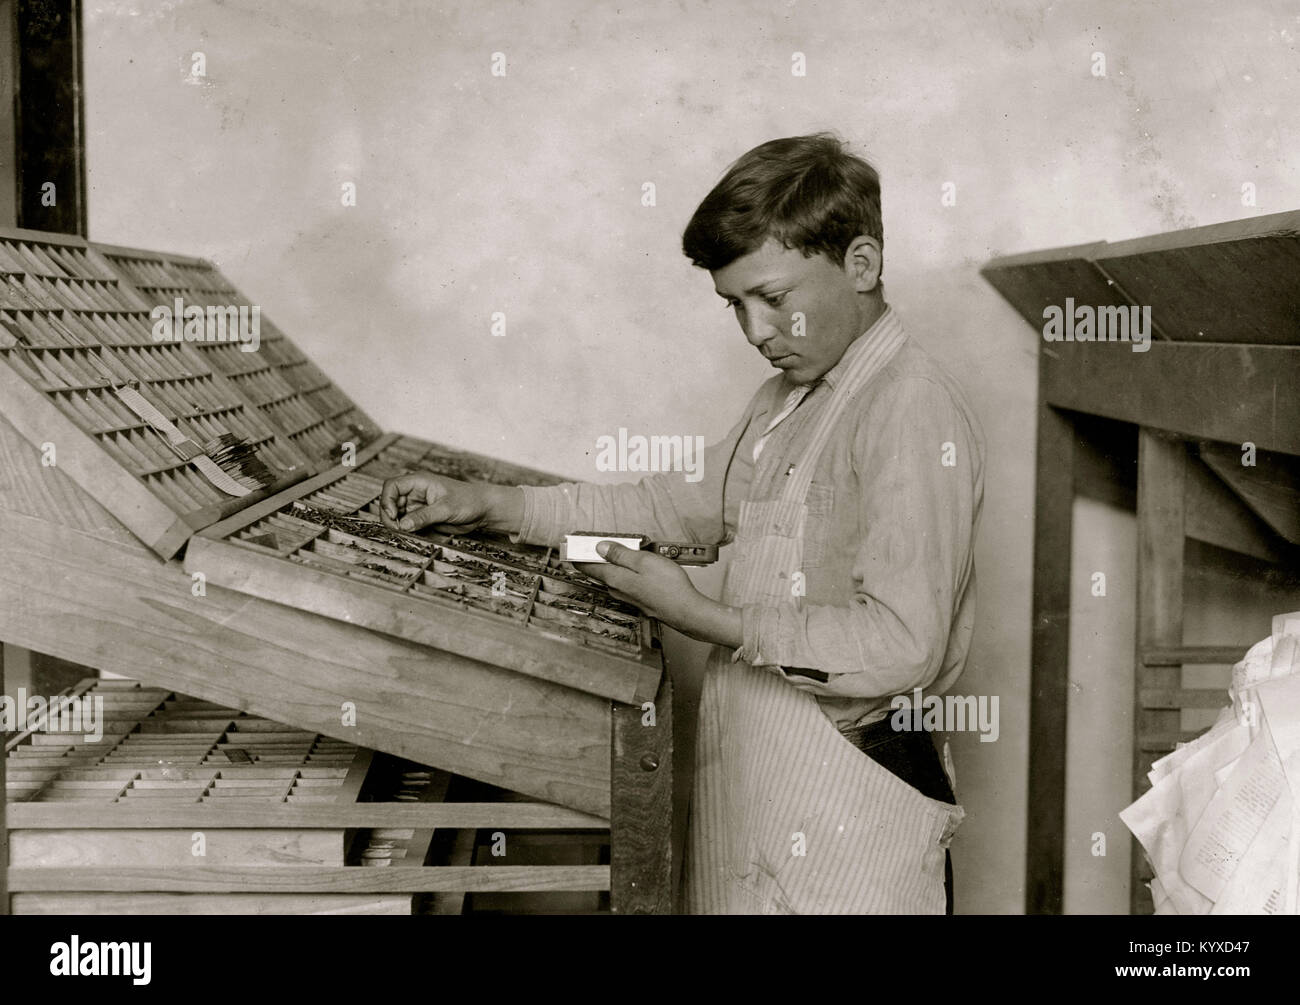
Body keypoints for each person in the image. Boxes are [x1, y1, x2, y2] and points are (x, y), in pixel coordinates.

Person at [380, 133, 984, 914]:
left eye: (774, 297)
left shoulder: (910, 405)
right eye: (735, 305)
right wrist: (494, 504)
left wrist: (702, 614)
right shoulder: (789, 399)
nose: (756, 332)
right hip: (762, 780)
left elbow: (903, 641)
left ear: (861, 266)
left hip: (854, 795)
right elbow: (673, 506)